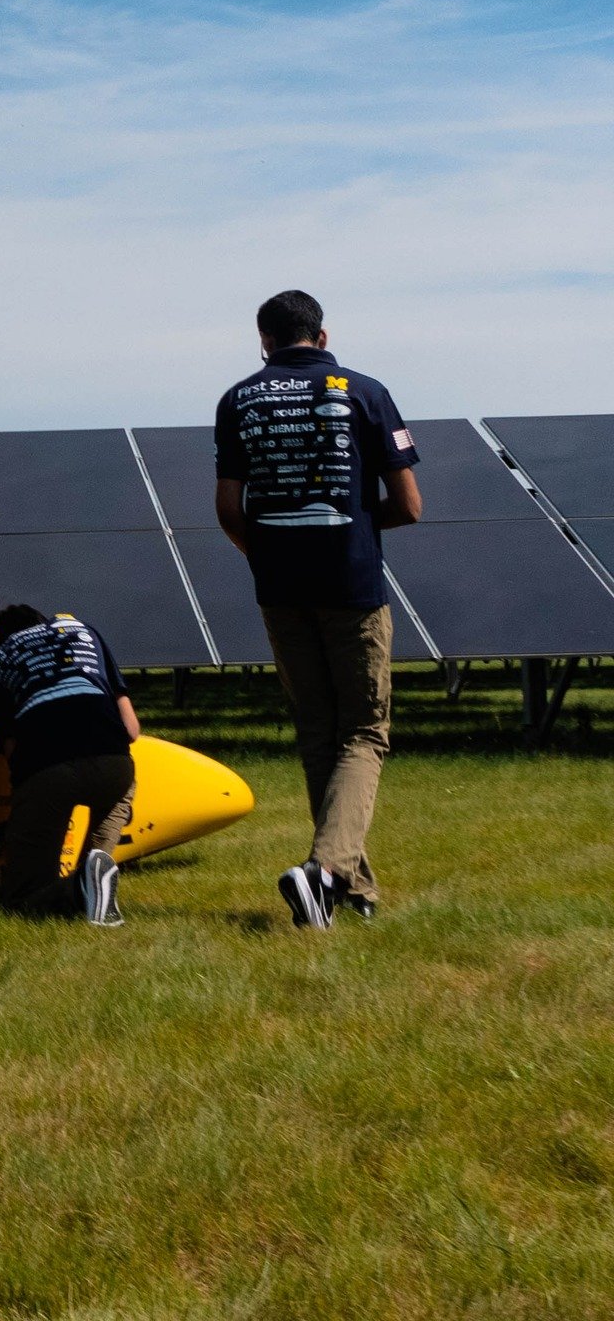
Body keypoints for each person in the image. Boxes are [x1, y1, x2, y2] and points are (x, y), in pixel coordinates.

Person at [215, 289, 422, 930]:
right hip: (351, 584)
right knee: (363, 732)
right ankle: (326, 872)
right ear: (322, 337)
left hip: (279, 588)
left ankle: (350, 892)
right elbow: (409, 505)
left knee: (318, 733)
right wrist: (355, 530)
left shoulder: (237, 400)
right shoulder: (364, 391)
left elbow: (229, 508)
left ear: (264, 341)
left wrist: (272, 550)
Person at [0, 602, 140, 926]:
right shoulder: (84, 633)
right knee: (123, 784)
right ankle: (95, 871)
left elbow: (13, 753)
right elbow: (132, 730)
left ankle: (80, 887)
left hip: (46, 768)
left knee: (23, 898)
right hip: (114, 762)